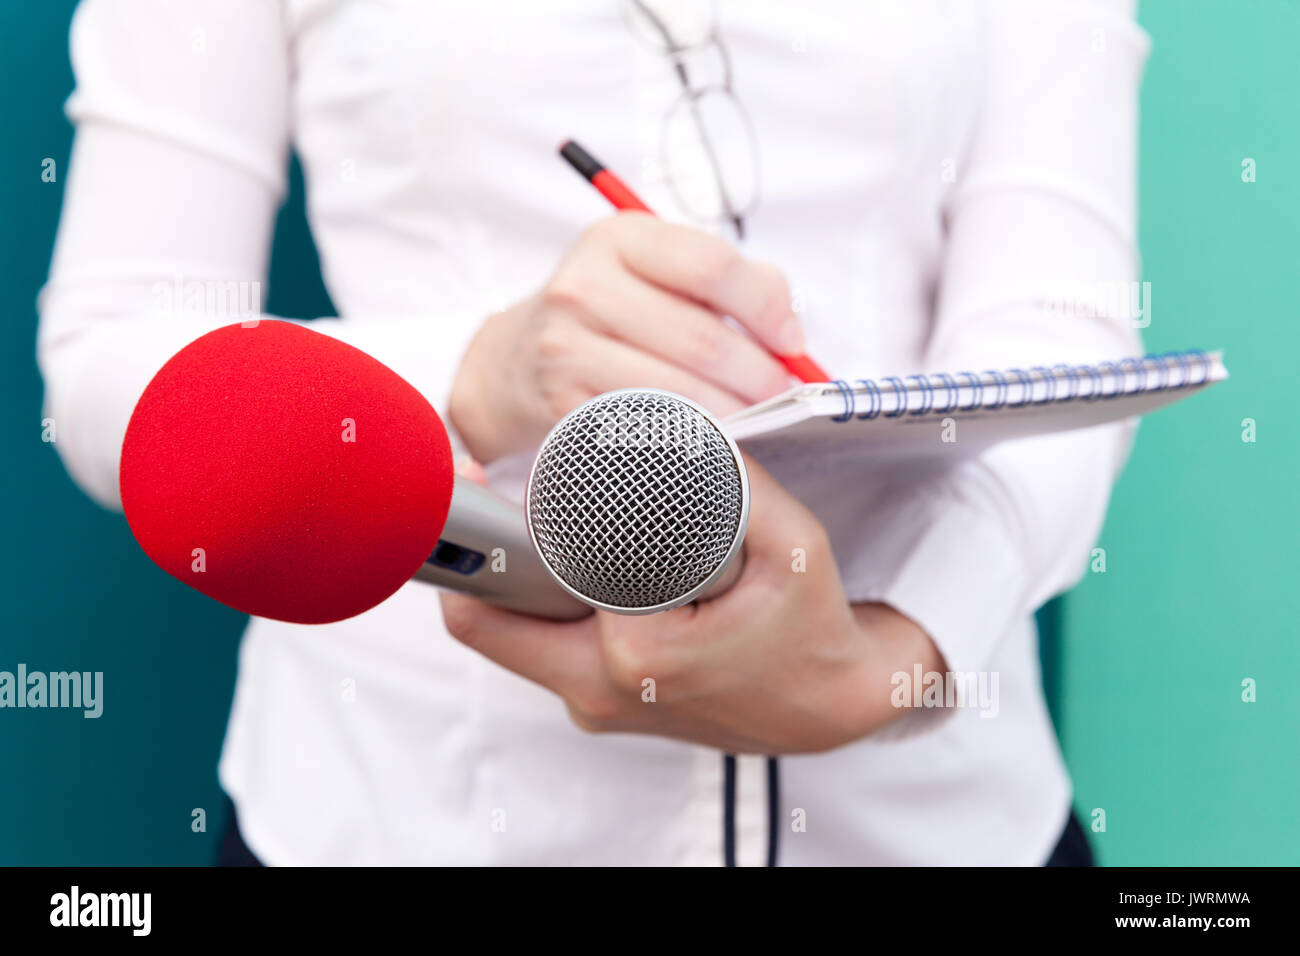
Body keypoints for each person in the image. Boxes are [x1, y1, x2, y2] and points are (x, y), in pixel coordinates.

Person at [38, 0, 1148, 865]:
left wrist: (897, 655)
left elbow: (1058, 327)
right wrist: (475, 371)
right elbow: (113, 352)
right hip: (408, 815)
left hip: (940, 827)